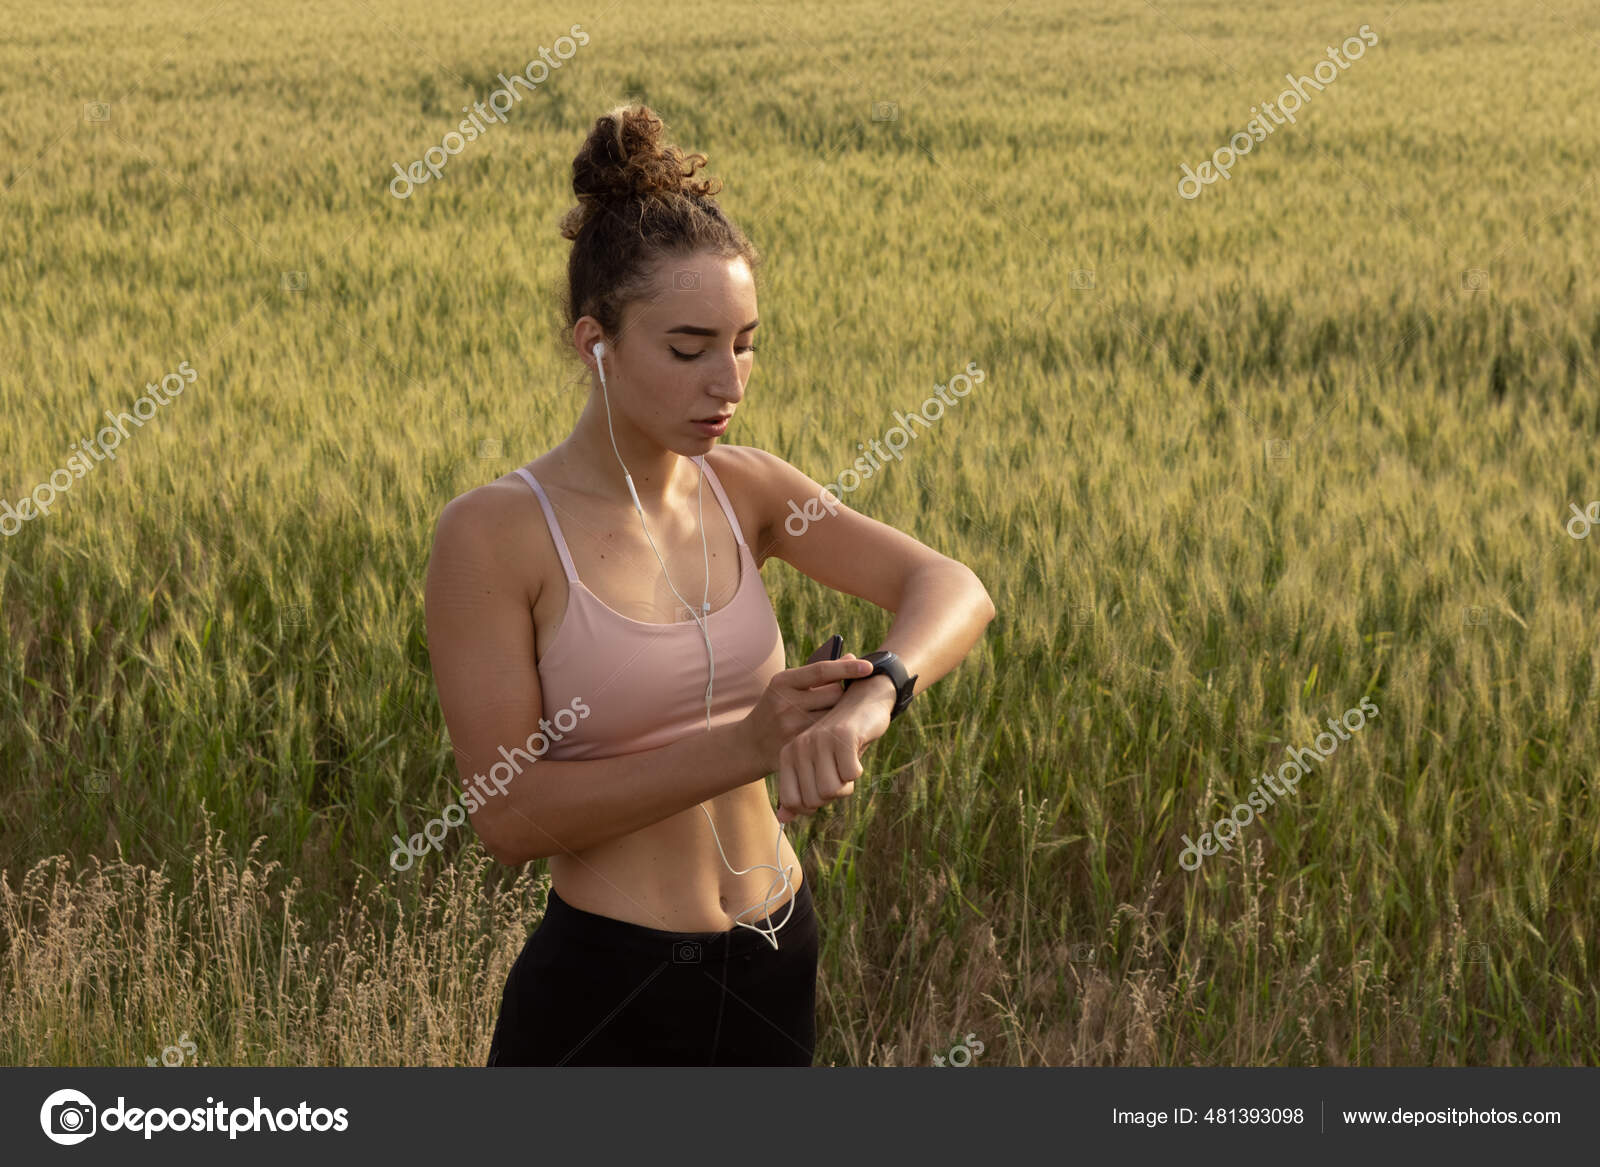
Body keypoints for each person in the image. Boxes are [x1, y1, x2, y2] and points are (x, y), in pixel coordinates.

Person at [423, 103, 995, 1066]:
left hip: (777, 954)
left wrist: (871, 701)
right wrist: (751, 744)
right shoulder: (496, 535)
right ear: (593, 342)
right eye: (689, 348)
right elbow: (507, 817)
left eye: (745, 343)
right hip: (611, 990)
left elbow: (952, 585)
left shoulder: (748, 491)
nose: (727, 383)